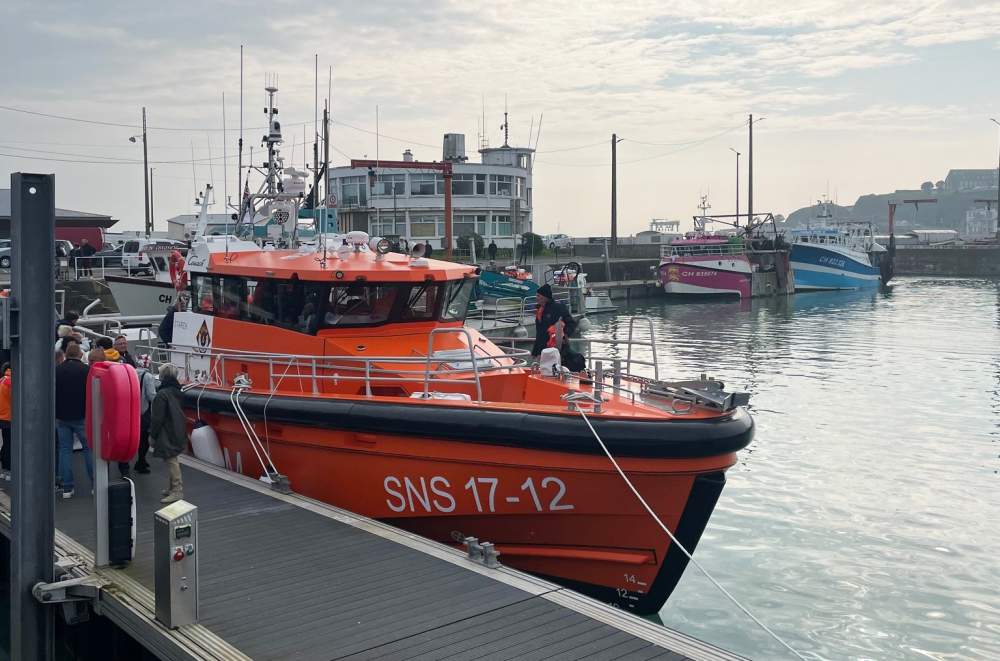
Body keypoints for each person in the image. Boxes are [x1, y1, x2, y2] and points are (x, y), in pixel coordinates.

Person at [55, 343, 94, 498]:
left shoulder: (57, 370)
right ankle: (94, 485)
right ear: (79, 355)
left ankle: (67, 488)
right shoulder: (86, 370)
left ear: (65, 355)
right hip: (82, 415)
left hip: (62, 416)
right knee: (88, 449)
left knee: (65, 450)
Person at [150, 363, 187, 504]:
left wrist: (152, 435)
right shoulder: (178, 391)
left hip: (167, 430)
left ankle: (177, 490)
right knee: (173, 457)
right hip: (178, 427)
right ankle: (172, 488)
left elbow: (157, 417)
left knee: (171, 460)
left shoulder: (162, 394)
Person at [531, 284, 577, 359]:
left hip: (558, 348)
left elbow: (571, 323)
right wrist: (535, 352)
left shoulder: (559, 308)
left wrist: (564, 334)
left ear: (545, 297)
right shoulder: (539, 311)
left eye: (538, 296)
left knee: (557, 368)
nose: (536, 298)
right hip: (544, 350)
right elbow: (539, 334)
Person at [132, 356, 157, 474]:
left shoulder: (132, 373)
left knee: (136, 437)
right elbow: (151, 395)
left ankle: (139, 460)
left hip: (132, 410)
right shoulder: (148, 376)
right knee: (144, 439)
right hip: (144, 411)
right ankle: (141, 462)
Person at [0, 364, 10, 481]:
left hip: (2, 415)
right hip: (9, 416)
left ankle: (3, 470)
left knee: (5, 442)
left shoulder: (2, 380)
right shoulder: (10, 382)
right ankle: (8, 470)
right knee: (9, 444)